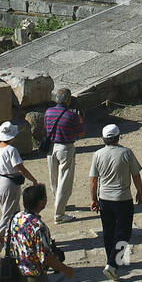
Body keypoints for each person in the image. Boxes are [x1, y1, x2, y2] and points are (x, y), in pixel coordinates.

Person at [88, 124, 142, 281]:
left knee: (109, 231)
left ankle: (113, 261)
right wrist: (140, 191)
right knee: (123, 231)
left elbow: (93, 180)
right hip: (123, 198)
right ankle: (113, 264)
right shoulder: (126, 153)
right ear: (118, 137)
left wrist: (93, 198)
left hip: (105, 198)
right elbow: (136, 175)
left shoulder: (98, 154)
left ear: (104, 139)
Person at [41, 88, 83, 222]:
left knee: (54, 179)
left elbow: (46, 128)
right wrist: (80, 119)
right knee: (64, 181)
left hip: (51, 148)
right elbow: (81, 133)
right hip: (65, 148)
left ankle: (59, 204)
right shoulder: (71, 116)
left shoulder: (48, 112)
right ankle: (59, 214)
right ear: (68, 99)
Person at [0, 122, 38, 230]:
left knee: (13, 211)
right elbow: (21, 169)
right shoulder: (11, 150)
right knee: (7, 215)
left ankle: (14, 236)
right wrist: (33, 180)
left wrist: (2, 170)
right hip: (9, 183)